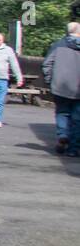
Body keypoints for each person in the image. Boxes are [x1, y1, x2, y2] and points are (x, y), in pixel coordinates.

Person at [42, 21, 80, 156]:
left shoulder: (57, 45)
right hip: (78, 89)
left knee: (62, 113)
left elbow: (47, 64)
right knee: (77, 119)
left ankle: (63, 134)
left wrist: (50, 81)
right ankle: (73, 149)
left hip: (60, 87)